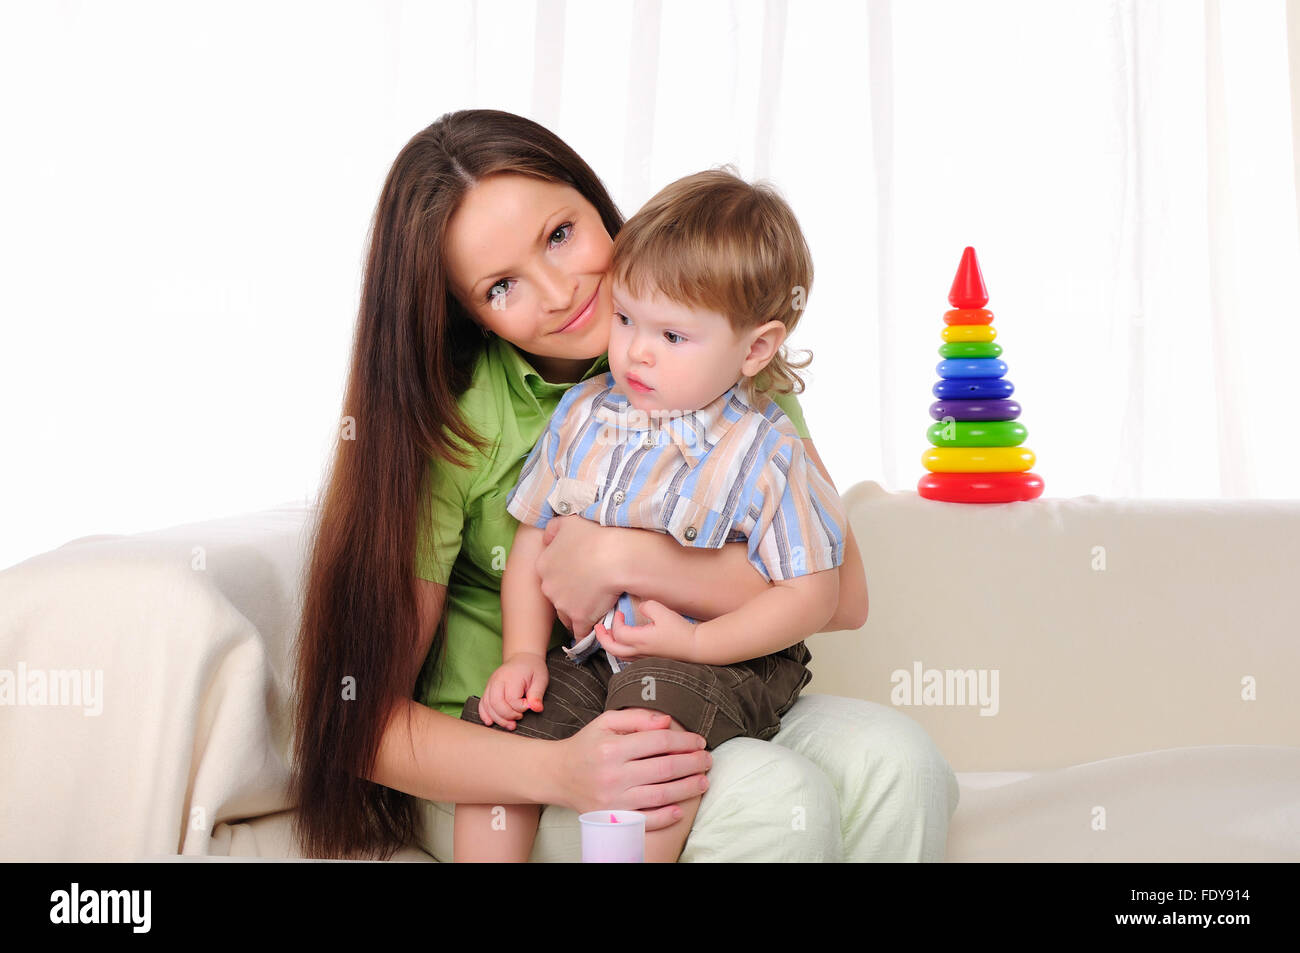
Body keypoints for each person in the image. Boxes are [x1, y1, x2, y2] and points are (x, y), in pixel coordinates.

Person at [288, 108, 959, 863]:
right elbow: (359, 726)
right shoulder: (461, 422)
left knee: (902, 761)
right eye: (501, 285)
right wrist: (563, 769)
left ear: (595, 201)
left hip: (705, 680)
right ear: (464, 313)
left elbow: (842, 594)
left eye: (561, 234)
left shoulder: (723, 351)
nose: (556, 289)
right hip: (517, 744)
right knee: (775, 798)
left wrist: (617, 558)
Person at [453, 168, 847, 862]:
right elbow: (531, 541)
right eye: (628, 317)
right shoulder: (585, 412)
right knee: (499, 731)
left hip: (725, 658)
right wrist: (520, 654)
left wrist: (696, 644)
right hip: (597, 651)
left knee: (646, 728)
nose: (635, 349)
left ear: (755, 347)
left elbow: (816, 593)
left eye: (671, 335)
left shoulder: (767, 449)